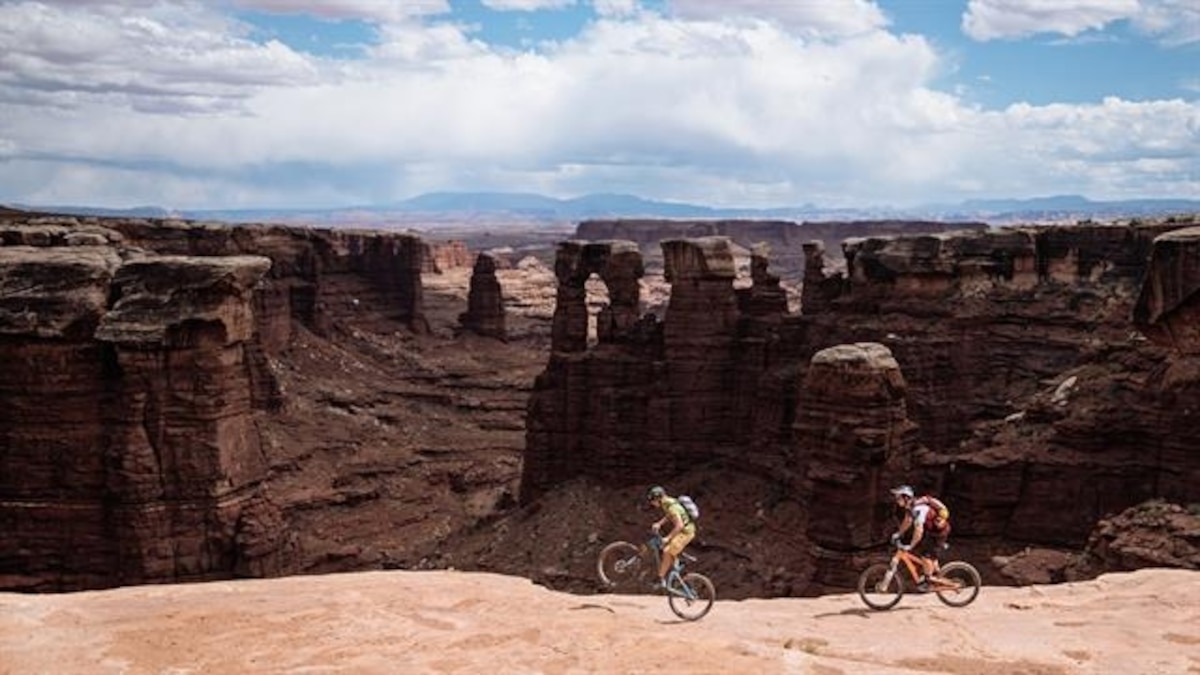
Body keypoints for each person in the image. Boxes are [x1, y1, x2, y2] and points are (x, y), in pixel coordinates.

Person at [889, 484, 951, 588]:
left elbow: (919, 530)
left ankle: (928, 581)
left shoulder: (918, 508)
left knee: (925, 555)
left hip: (939, 533)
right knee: (930, 557)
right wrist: (898, 534)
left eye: (898, 497)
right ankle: (937, 577)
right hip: (932, 532)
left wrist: (910, 546)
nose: (896, 500)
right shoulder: (910, 507)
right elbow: (907, 521)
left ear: (906, 498)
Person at [645, 485, 697, 591]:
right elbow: (669, 515)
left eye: (652, 500)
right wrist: (659, 523)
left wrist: (668, 538)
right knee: (668, 549)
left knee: (667, 552)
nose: (652, 503)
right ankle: (677, 560)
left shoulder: (672, 506)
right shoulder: (668, 503)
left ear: (658, 498)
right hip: (683, 531)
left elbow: (679, 525)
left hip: (686, 533)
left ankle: (660, 578)